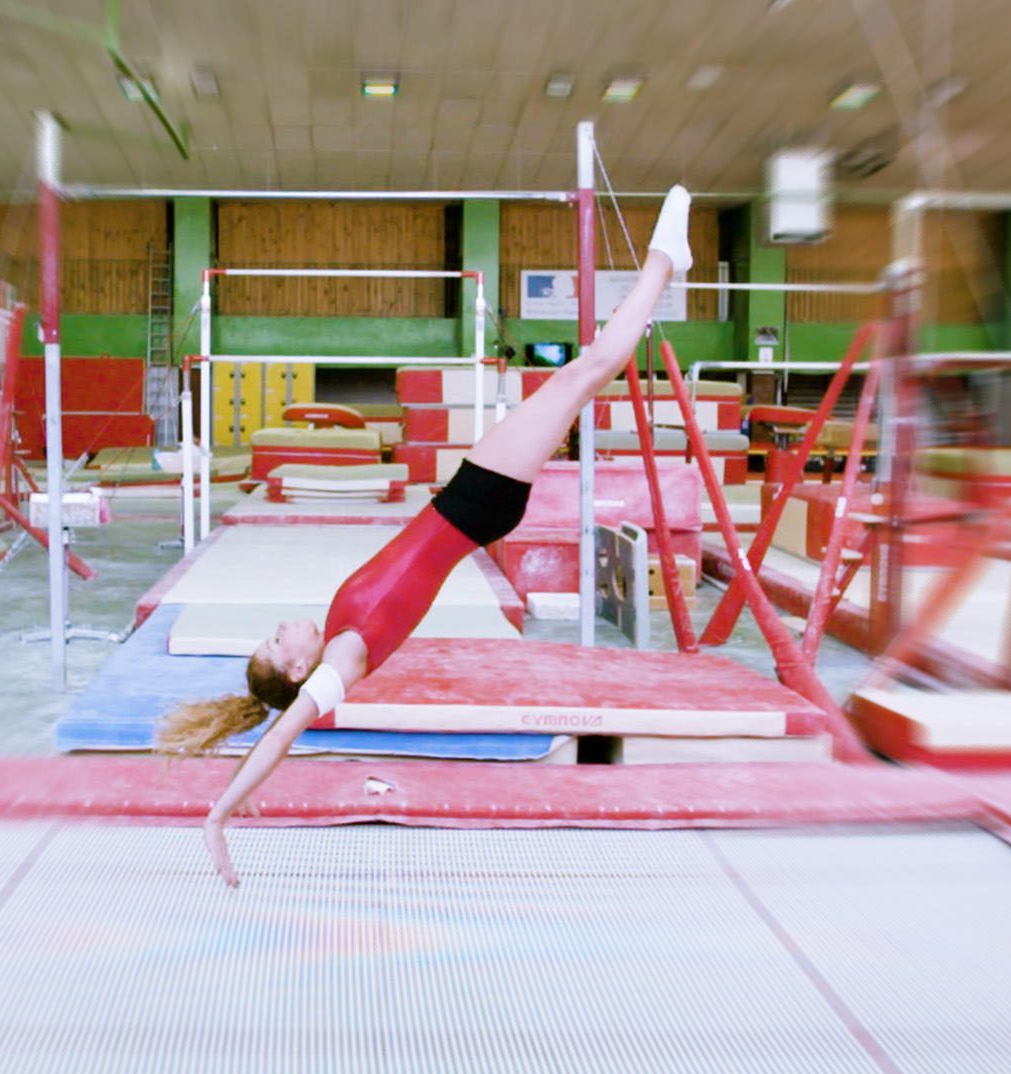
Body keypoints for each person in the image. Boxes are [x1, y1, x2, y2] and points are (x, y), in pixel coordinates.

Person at [159, 186, 695, 886]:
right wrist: (220, 815)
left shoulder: (337, 628)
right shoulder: (340, 663)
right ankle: (662, 261)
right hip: (475, 504)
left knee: (580, 375)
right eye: (273, 641)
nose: (278, 629)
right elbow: (280, 737)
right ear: (298, 670)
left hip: (469, 503)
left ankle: (662, 262)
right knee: (585, 369)